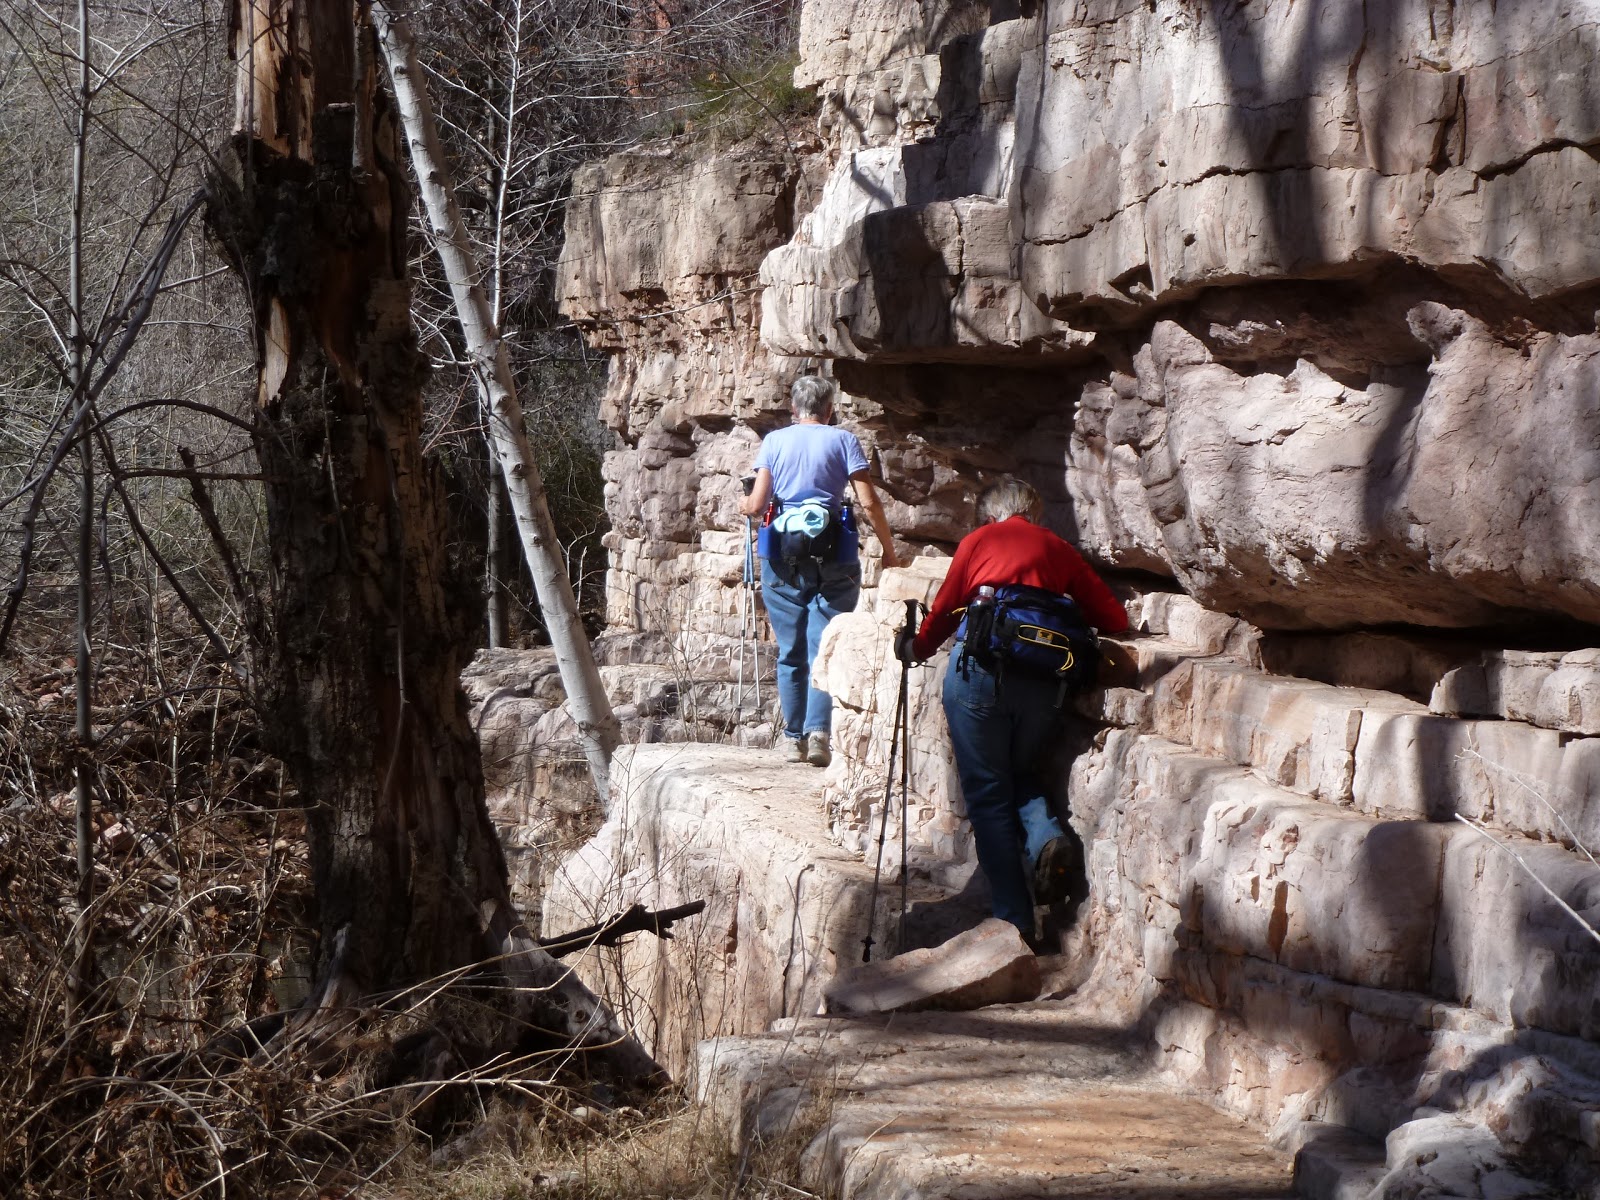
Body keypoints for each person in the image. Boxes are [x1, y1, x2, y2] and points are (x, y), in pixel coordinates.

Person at [898, 479, 1127, 937]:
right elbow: (1114, 618)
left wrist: (915, 647)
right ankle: (1047, 838)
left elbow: (944, 610)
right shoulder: (1059, 549)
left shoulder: (979, 541)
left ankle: (1013, 921)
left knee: (987, 794)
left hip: (979, 677)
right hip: (1045, 683)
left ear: (990, 515)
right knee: (1021, 774)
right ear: (1034, 512)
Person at [740, 376, 899, 767]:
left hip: (782, 556)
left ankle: (793, 738)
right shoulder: (843, 440)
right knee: (823, 647)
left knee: (791, 651)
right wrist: (889, 552)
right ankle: (818, 736)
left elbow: (759, 504)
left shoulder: (775, 441)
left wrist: (746, 504)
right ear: (829, 409)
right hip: (835, 554)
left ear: (794, 409)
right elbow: (868, 502)